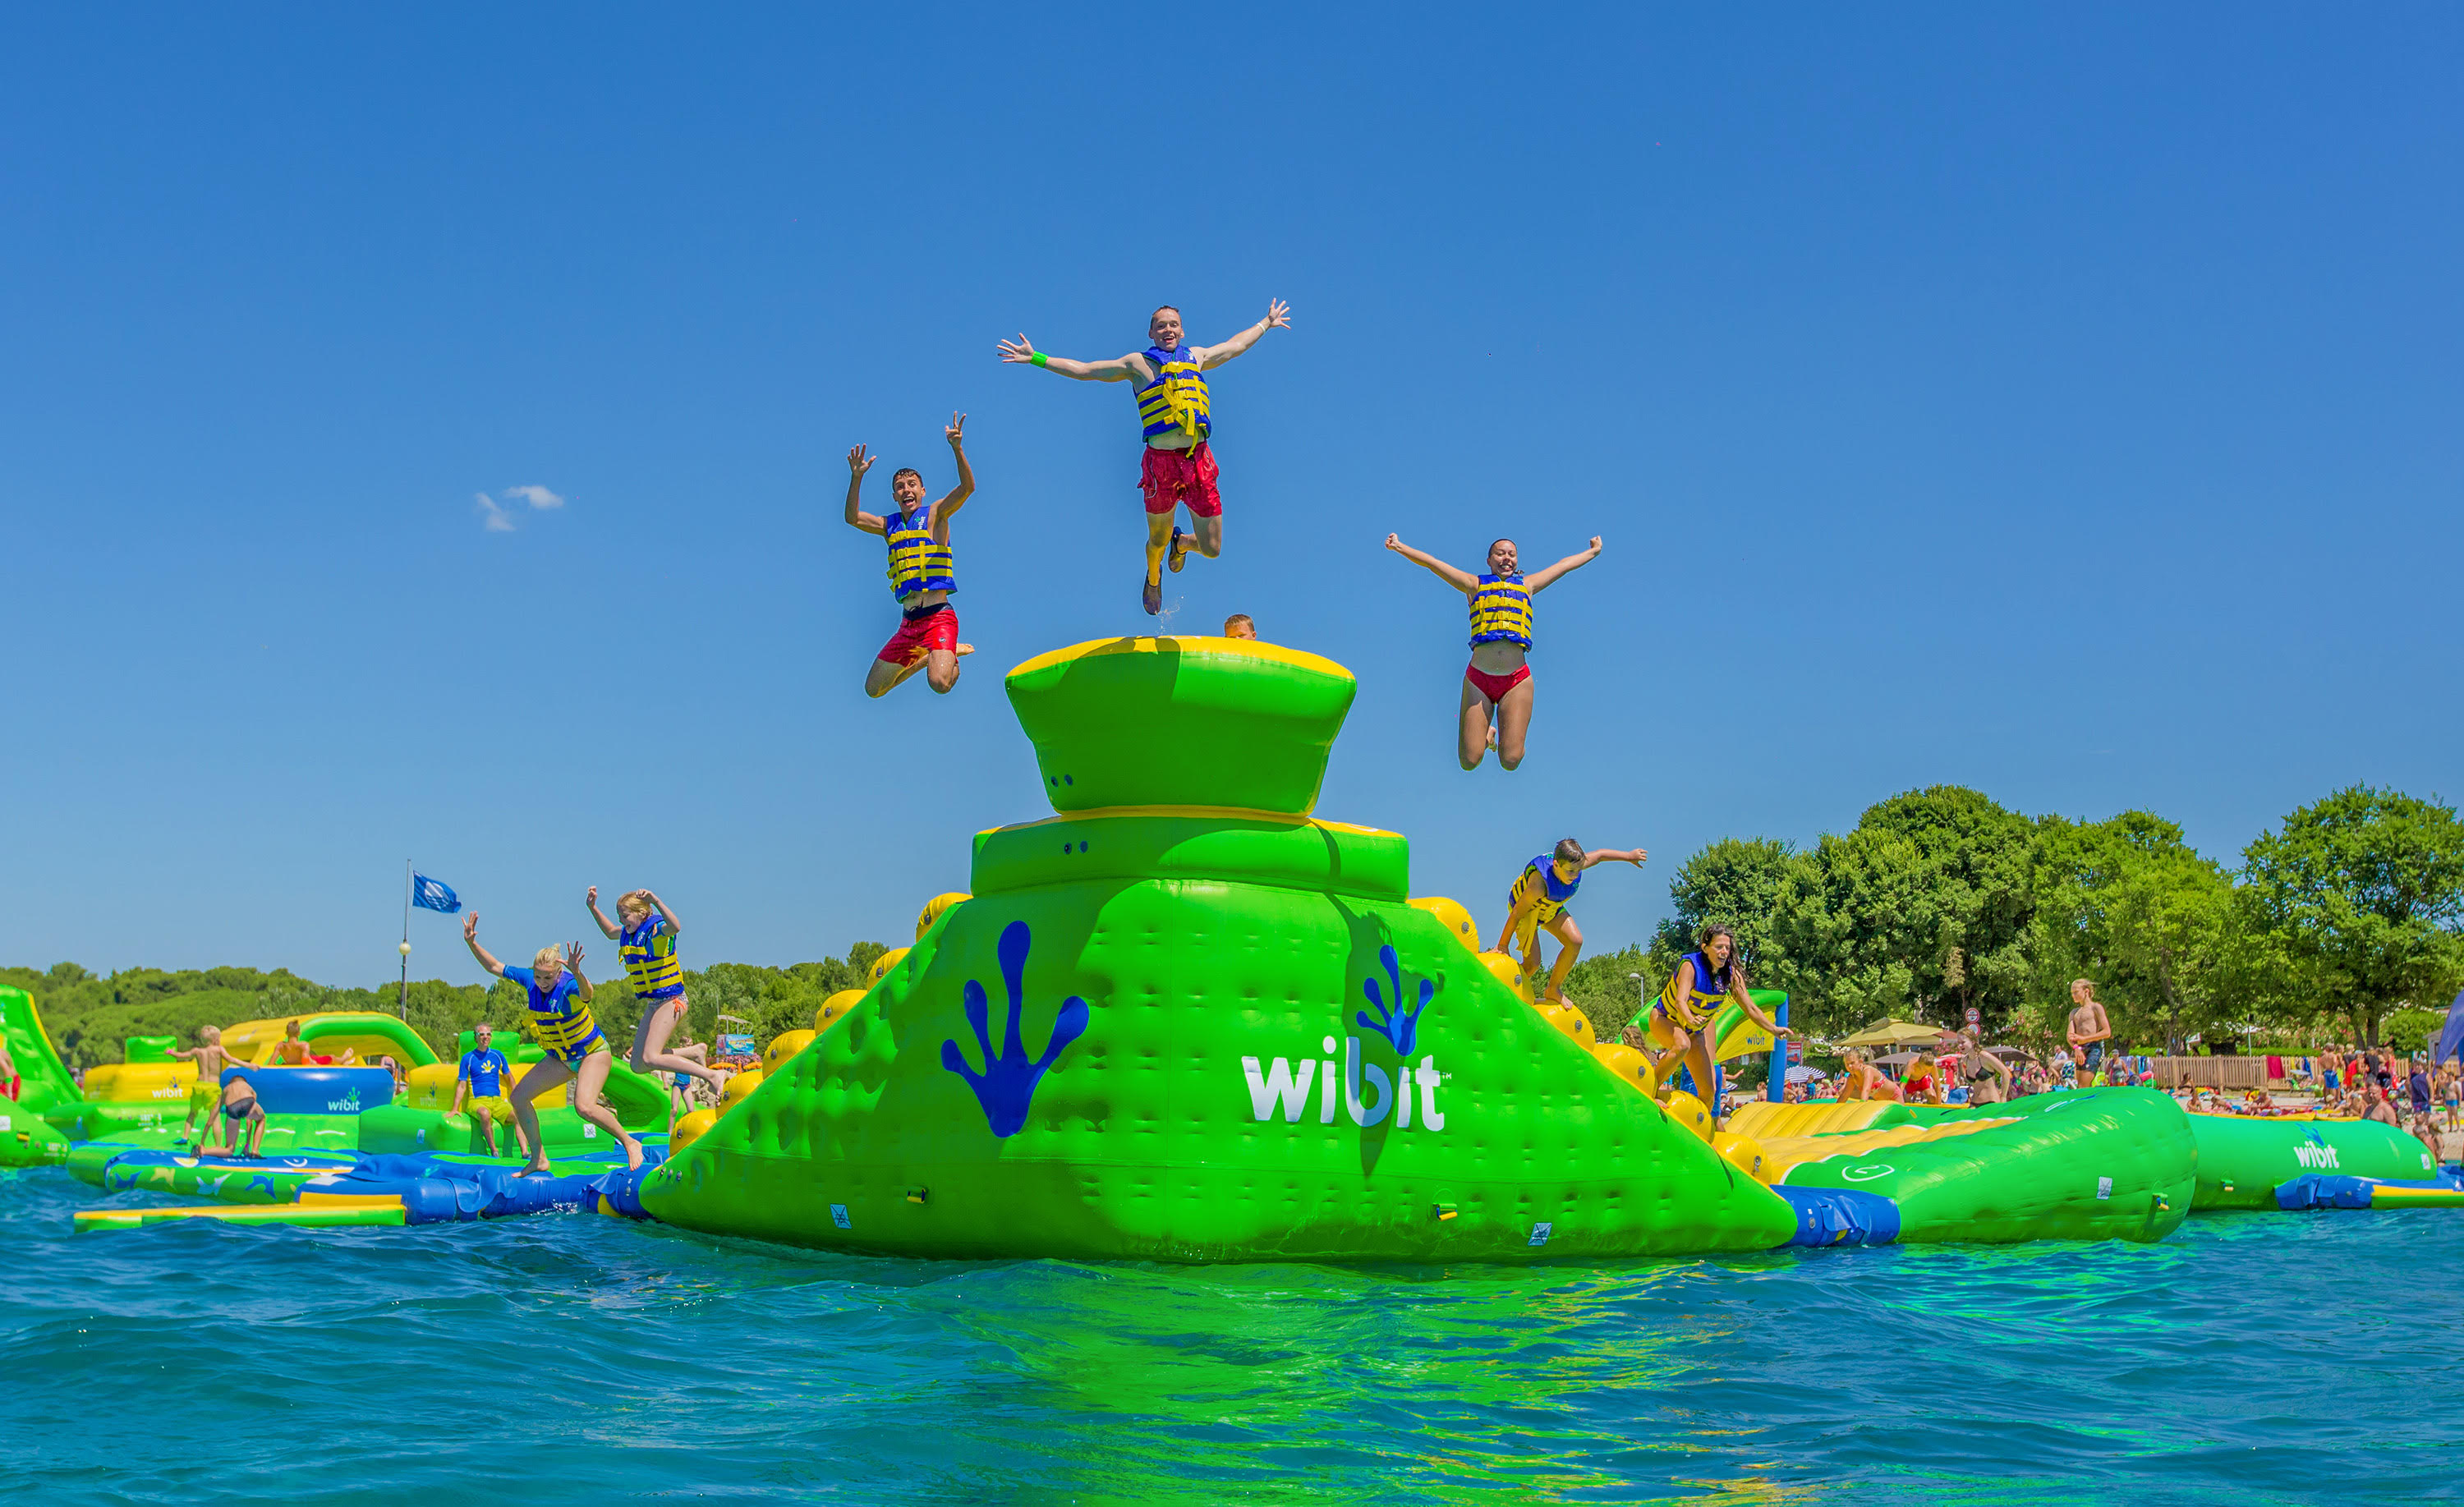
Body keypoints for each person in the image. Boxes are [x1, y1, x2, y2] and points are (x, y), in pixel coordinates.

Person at [999, 300, 1292, 614]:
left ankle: (1184, 544)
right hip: (1161, 464)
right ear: (1151, 332)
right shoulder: (1136, 364)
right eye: (1161, 325)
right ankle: (1154, 576)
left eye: (1173, 324)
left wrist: (1266, 322)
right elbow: (1086, 371)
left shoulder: (1197, 356)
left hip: (1198, 460)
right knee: (1158, 537)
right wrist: (1037, 358)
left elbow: (1235, 346)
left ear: (1182, 330)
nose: (1168, 329)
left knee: (1212, 548)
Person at [1381, 533, 1603, 772]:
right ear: (1489, 560)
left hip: (1516, 680)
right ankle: (1487, 733)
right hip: (1478, 679)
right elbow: (1434, 564)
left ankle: (1508, 736)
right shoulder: (1473, 585)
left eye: (1511, 554)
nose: (1506, 558)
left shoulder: (1528, 586)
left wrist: (1592, 552)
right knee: (1469, 761)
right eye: (1500, 553)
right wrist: (1399, 547)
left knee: (1510, 760)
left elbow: (1563, 567)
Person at [462, 914, 644, 1174]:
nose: (542, 983)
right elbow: (493, 966)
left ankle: (629, 1142)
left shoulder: (569, 985)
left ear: (559, 974)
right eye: (538, 977)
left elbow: (588, 994)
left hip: (592, 1052)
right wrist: (472, 943)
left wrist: (578, 972)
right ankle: (538, 1158)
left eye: (548, 978)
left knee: (584, 1107)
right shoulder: (530, 981)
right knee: (519, 1097)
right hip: (561, 1057)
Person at [844, 415, 977, 697]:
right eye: (901, 487)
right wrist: (856, 478)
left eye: (912, 485)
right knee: (874, 689)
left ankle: (945, 655)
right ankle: (924, 659)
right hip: (908, 624)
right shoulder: (888, 526)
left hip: (938, 618)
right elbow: (852, 517)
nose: (907, 490)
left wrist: (957, 448)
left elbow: (967, 489)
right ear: (894, 496)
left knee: (940, 684)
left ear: (922, 491)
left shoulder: (936, 515)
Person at [1647, 923, 1790, 1130]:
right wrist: (1689, 1017)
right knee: (1682, 1044)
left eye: (1727, 948)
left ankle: (1699, 1135)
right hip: (1665, 1019)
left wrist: (1773, 1029)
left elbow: (1750, 1007)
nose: (1724, 952)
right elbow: (1680, 1001)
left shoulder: (1730, 975)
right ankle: (1649, 1090)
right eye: (1719, 947)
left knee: (1708, 1092)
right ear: (1705, 947)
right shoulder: (1691, 965)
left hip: (1693, 1031)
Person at [586, 886, 727, 1095]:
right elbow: (609, 933)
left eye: (624, 915)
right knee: (638, 1064)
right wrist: (592, 907)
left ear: (642, 913)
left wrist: (656, 900)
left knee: (651, 1056)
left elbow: (676, 926)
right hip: (655, 1003)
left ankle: (713, 1075)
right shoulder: (628, 934)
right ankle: (694, 1051)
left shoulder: (656, 931)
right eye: (619, 916)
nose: (621, 920)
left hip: (674, 1000)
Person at [1495, 838, 1648, 1006]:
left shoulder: (1575, 863)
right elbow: (1517, 914)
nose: (1574, 875)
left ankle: (1553, 988)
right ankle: (1503, 985)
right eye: (1570, 871)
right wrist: (1502, 946)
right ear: (1556, 865)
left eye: (1577, 870)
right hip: (1528, 912)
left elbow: (1601, 855)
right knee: (1533, 965)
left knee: (1575, 941)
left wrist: (1629, 856)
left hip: (1551, 908)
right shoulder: (1538, 884)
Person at [167, 1026, 247, 1146]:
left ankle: (185, 1137)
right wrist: (248, 1065)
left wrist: (171, 1052)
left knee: (193, 1112)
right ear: (216, 1040)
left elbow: (182, 1056)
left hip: (198, 1086)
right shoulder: (219, 1050)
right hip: (212, 1087)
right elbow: (231, 1059)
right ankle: (218, 1146)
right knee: (215, 1117)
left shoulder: (197, 1051)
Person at [453, 1022, 521, 1160]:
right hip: (477, 1101)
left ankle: (525, 1153)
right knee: (484, 1114)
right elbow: (462, 1085)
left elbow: (510, 1080)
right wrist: (455, 1108)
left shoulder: (497, 1055)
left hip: (497, 1100)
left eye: (488, 1034)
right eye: (482, 1034)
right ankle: (494, 1150)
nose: (485, 1037)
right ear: (476, 1038)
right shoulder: (468, 1058)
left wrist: (517, 1100)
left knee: (519, 1115)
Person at [195, 1068, 267, 1159]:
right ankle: (255, 1151)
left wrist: (202, 1142)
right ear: (244, 1082)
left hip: (232, 1108)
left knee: (229, 1149)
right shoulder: (248, 1087)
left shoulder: (226, 1090)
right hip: (247, 1102)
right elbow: (249, 1121)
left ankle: (202, 1150)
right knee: (261, 1119)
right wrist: (247, 1146)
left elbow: (212, 1118)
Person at [2066, 981, 2113, 1081]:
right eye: (2072, 993)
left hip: (2094, 1047)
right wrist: (2076, 1048)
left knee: (2084, 1084)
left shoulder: (2096, 1007)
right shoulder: (2074, 1013)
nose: (2073, 995)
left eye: (2076, 992)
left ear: (2086, 991)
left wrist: (2084, 1039)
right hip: (2080, 1049)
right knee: (2080, 1085)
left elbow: (2107, 1032)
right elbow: (2070, 1035)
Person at [1837, 1048, 1903, 1103]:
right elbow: (1844, 1096)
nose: (1849, 1066)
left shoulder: (1868, 1071)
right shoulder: (1852, 1078)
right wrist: (1835, 1109)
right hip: (1881, 1102)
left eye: (1852, 1063)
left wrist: (1861, 1105)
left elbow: (1866, 1090)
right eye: (1847, 1064)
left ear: (1861, 1061)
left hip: (1894, 1096)